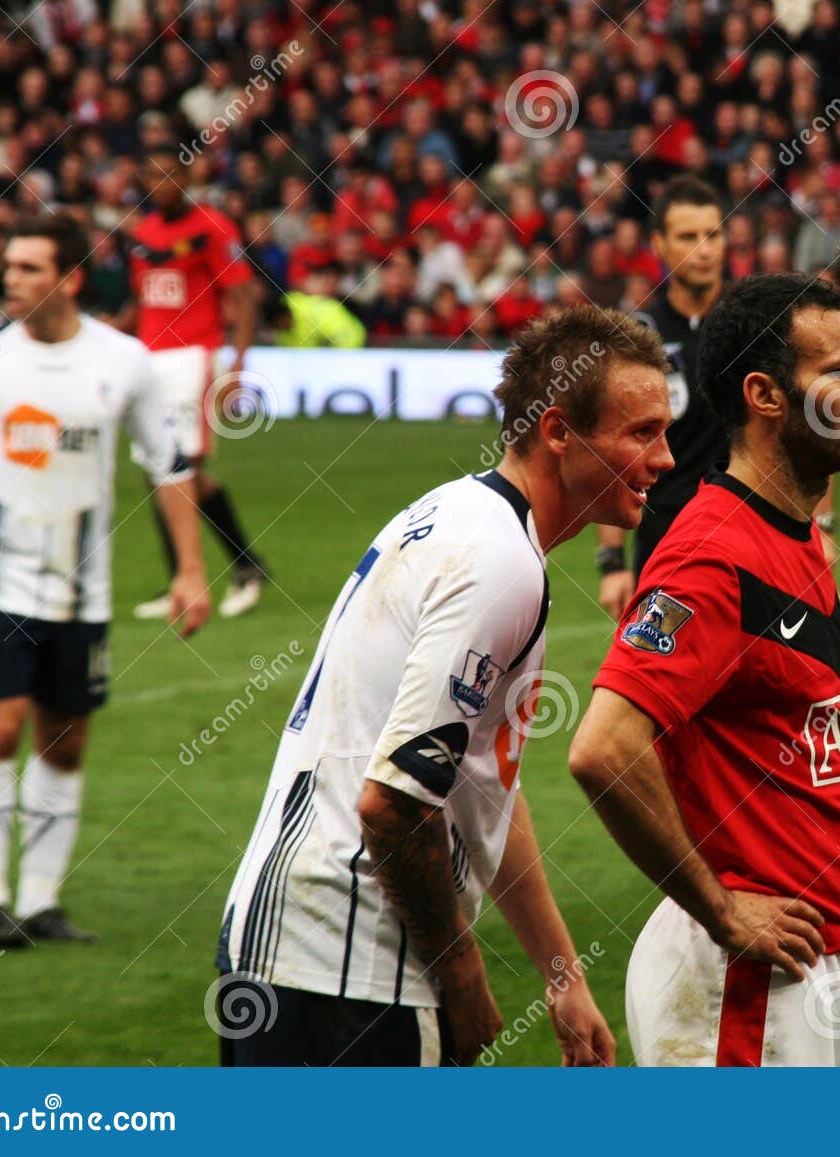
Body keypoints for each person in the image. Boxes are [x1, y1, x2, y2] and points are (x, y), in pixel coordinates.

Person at [215, 306, 673, 1066]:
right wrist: (460, 974)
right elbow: (393, 804)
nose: (664, 458)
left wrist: (561, 974)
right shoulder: (499, 563)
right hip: (349, 959)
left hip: (297, 939)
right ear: (559, 431)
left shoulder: (461, 513)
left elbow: (482, 783)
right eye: (642, 432)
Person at [569, 273, 840, 1067]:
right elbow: (603, 747)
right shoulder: (712, 555)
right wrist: (722, 910)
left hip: (820, 957)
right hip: (749, 982)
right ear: (765, 395)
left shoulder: (795, 534)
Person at [0, 214, 210, 948]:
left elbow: (169, 465)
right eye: (9, 266)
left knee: (65, 741)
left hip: (84, 587)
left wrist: (191, 570)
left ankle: (41, 901)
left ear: (69, 279)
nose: (9, 278)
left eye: (29, 268)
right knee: (1, 724)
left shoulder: (124, 360)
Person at [123, 147, 269, 620]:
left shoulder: (212, 227)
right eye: (152, 176)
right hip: (150, 360)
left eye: (169, 175)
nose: (161, 184)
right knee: (155, 471)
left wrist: (237, 367)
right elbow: (142, 301)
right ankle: (179, 581)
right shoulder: (144, 233)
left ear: (185, 178)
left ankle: (246, 567)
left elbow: (243, 295)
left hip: (193, 358)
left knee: (187, 471)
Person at [595, 177, 728, 617]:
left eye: (713, 234)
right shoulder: (638, 337)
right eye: (688, 237)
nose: (704, 249)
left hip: (750, 536)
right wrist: (612, 561)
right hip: (665, 543)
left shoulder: (759, 326)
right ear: (659, 244)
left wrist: (822, 527)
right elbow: (616, 452)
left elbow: (802, 423)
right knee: (662, 661)